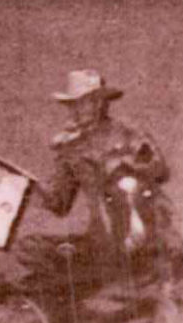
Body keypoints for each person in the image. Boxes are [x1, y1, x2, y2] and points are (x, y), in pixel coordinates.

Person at [36, 70, 170, 259]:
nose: (76, 110)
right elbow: (59, 203)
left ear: (100, 103)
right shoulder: (70, 148)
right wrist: (29, 187)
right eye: (72, 104)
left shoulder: (127, 132)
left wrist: (123, 164)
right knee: (32, 250)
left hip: (139, 224)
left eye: (83, 103)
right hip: (100, 235)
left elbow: (159, 169)